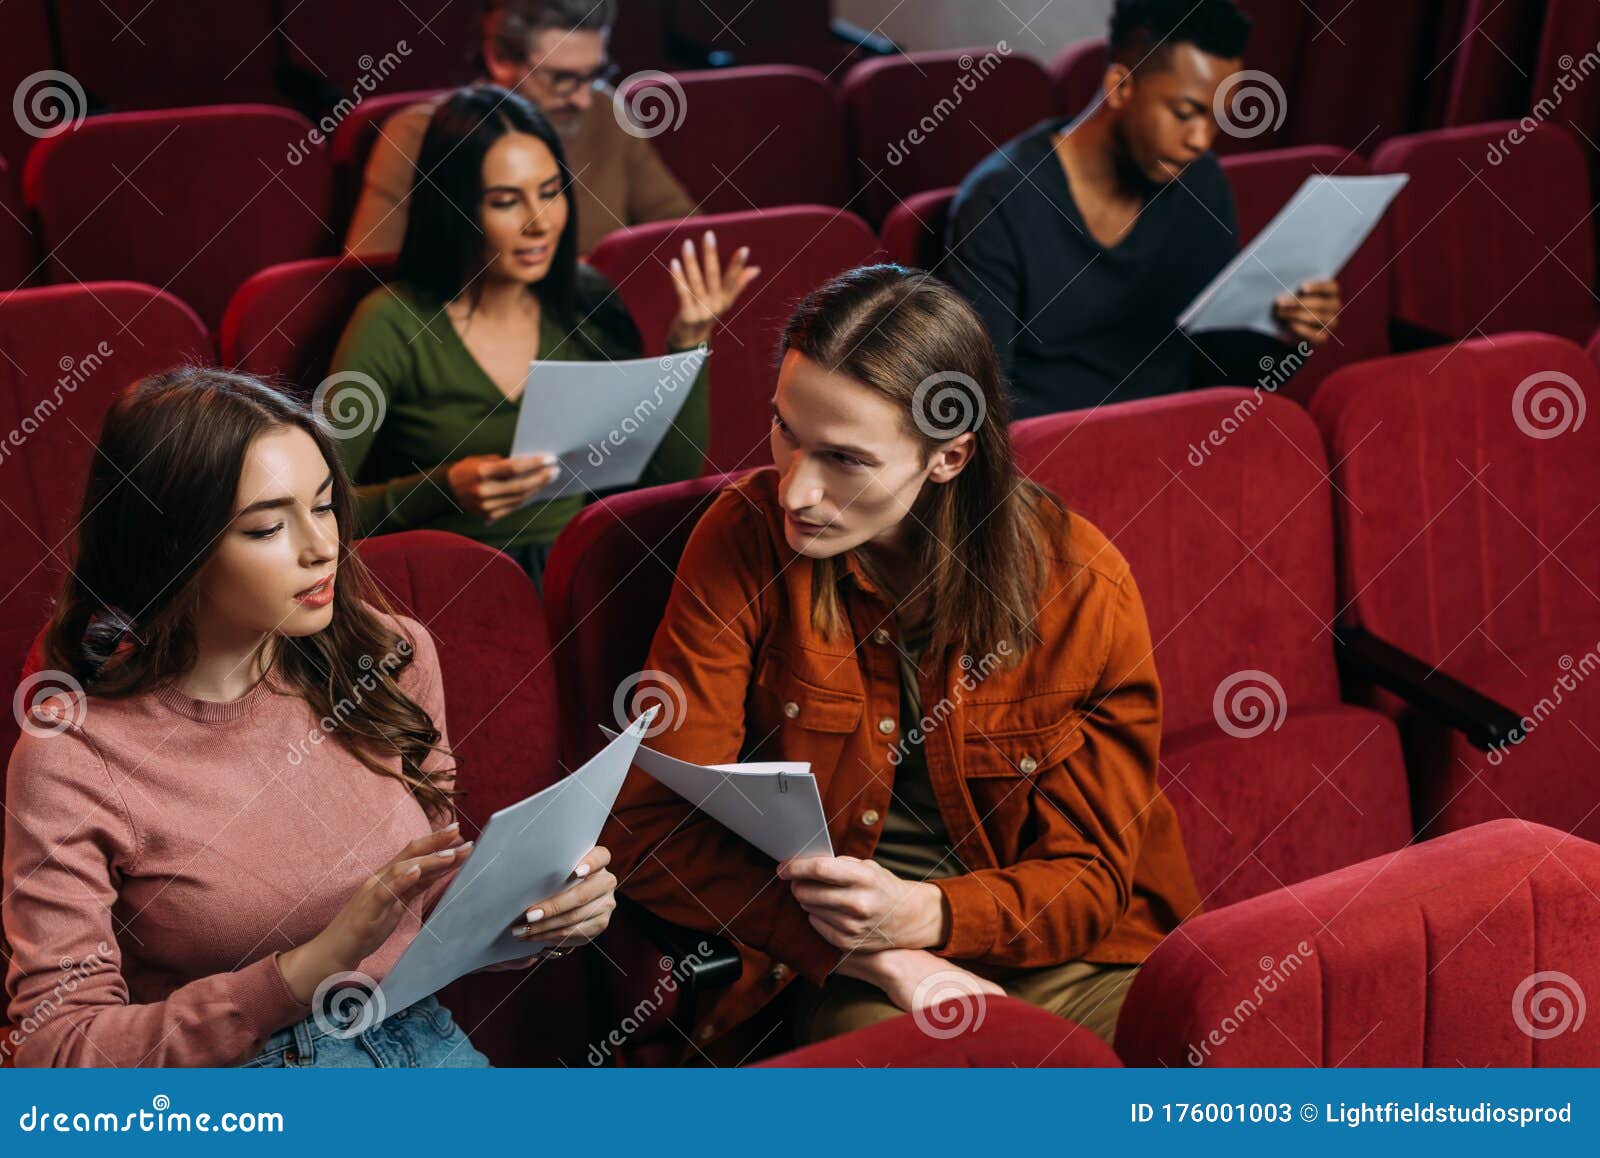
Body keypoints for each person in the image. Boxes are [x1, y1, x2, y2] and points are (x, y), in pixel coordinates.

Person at [601, 265, 1202, 1063]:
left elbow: (1090, 880)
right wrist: (882, 954)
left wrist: (926, 914)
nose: (796, 492)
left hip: (1069, 959)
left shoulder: (1080, 584)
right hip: (848, 966)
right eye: (786, 431)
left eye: (845, 460)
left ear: (948, 458)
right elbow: (648, 826)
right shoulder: (741, 543)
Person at [2, 367, 618, 1067]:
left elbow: (428, 892)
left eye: (323, 506)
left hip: (420, 1043)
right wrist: (302, 973)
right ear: (170, 549)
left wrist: (535, 909)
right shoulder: (71, 756)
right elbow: (53, 1052)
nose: (321, 545)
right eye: (267, 526)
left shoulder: (390, 656)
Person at [328, 86, 756, 586]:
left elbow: (663, 483)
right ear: (454, 209)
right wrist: (444, 489)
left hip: (578, 577)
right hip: (446, 585)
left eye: (551, 192)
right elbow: (316, 511)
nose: (539, 222)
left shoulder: (586, 303)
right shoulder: (390, 322)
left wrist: (689, 340)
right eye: (506, 201)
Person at [945, 0, 1342, 419]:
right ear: (1121, 86)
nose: (1201, 140)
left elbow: (1225, 377)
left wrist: (1286, 337)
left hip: (1180, 447)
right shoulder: (1000, 202)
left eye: (1217, 120)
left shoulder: (1201, 184)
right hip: (1048, 463)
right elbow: (982, 410)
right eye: (1186, 113)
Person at [346, 0, 693, 257]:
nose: (584, 100)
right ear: (500, 58)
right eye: (562, 79)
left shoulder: (607, 109)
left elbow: (683, 234)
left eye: (595, 75)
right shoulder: (417, 135)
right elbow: (371, 276)